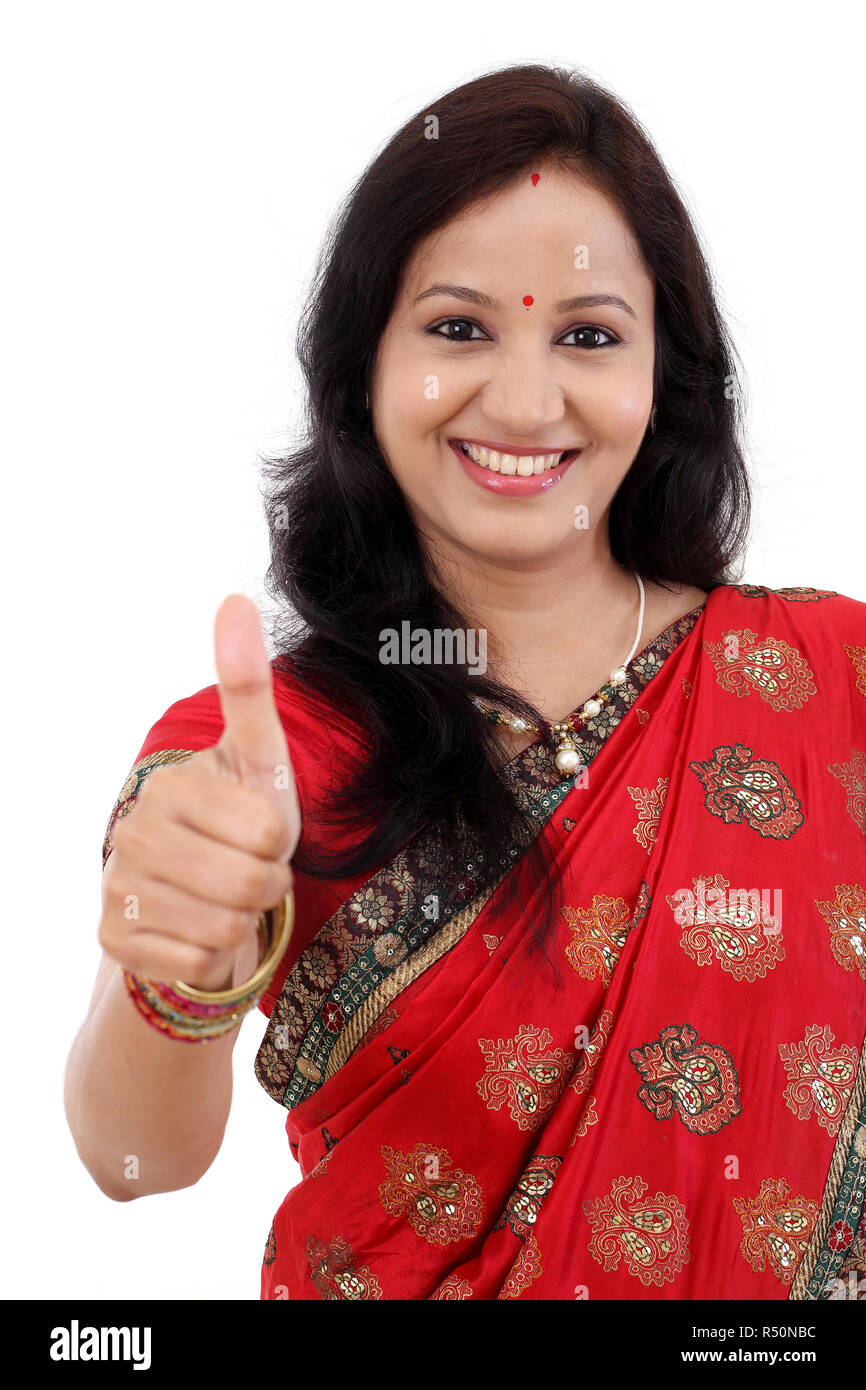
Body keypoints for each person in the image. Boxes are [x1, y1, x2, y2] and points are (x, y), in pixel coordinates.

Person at [64, 63, 866, 1301]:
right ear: (362, 367)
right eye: (456, 328)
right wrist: (182, 969)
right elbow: (131, 1160)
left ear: (663, 373)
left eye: (587, 335)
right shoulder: (267, 756)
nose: (526, 401)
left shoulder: (825, 681)